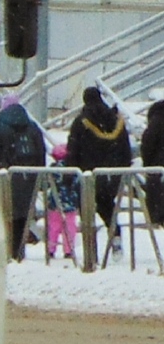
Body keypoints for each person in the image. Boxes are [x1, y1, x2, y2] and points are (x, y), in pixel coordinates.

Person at [65, 85, 133, 257]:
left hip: (88, 174)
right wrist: (123, 169)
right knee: (107, 207)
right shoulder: (115, 120)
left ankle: (90, 250)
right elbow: (126, 148)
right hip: (111, 174)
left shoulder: (82, 121)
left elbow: (72, 149)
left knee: (86, 208)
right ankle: (115, 236)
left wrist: (69, 173)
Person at [0, 95, 47, 261]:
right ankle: (19, 250)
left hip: (7, 178)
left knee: (6, 214)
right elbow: (41, 153)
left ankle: (8, 251)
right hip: (29, 178)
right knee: (24, 214)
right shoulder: (32, 127)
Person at [45, 142, 80, 261]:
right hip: (70, 203)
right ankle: (68, 250)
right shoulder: (74, 169)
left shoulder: (53, 169)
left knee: (53, 227)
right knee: (69, 227)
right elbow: (77, 184)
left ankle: (50, 249)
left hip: (54, 202)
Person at [139, 98, 164, 225]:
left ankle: (157, 219)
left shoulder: (156, 121)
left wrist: (147, 164)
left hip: (157, 167)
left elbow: (147, 144)